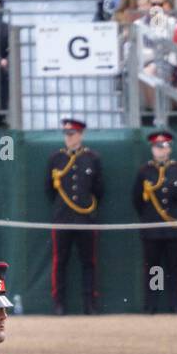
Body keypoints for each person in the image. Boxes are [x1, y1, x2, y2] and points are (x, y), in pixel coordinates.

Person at [46, 116, 103, 315]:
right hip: (63, 219)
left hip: (85, 219)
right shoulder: (56, 159)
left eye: (72, 134)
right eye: (66, 134)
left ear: (81, 135)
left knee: (89, 262)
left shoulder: (92, 158)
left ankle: (90, 303)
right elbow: (49, 190)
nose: (68, 138)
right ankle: (59, 304)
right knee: (60, 262)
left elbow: (98, 189)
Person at [133, 129, 177, 314]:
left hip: (173, 226)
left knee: (174, 266)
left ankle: (174, 303)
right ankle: (152, 303)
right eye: (157, 147)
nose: (160, 150)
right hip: (152, 226)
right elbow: (137, 201)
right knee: (154, 268)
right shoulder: (145, 171)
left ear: (169, 149)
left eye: (163, 147)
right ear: (152, 149)